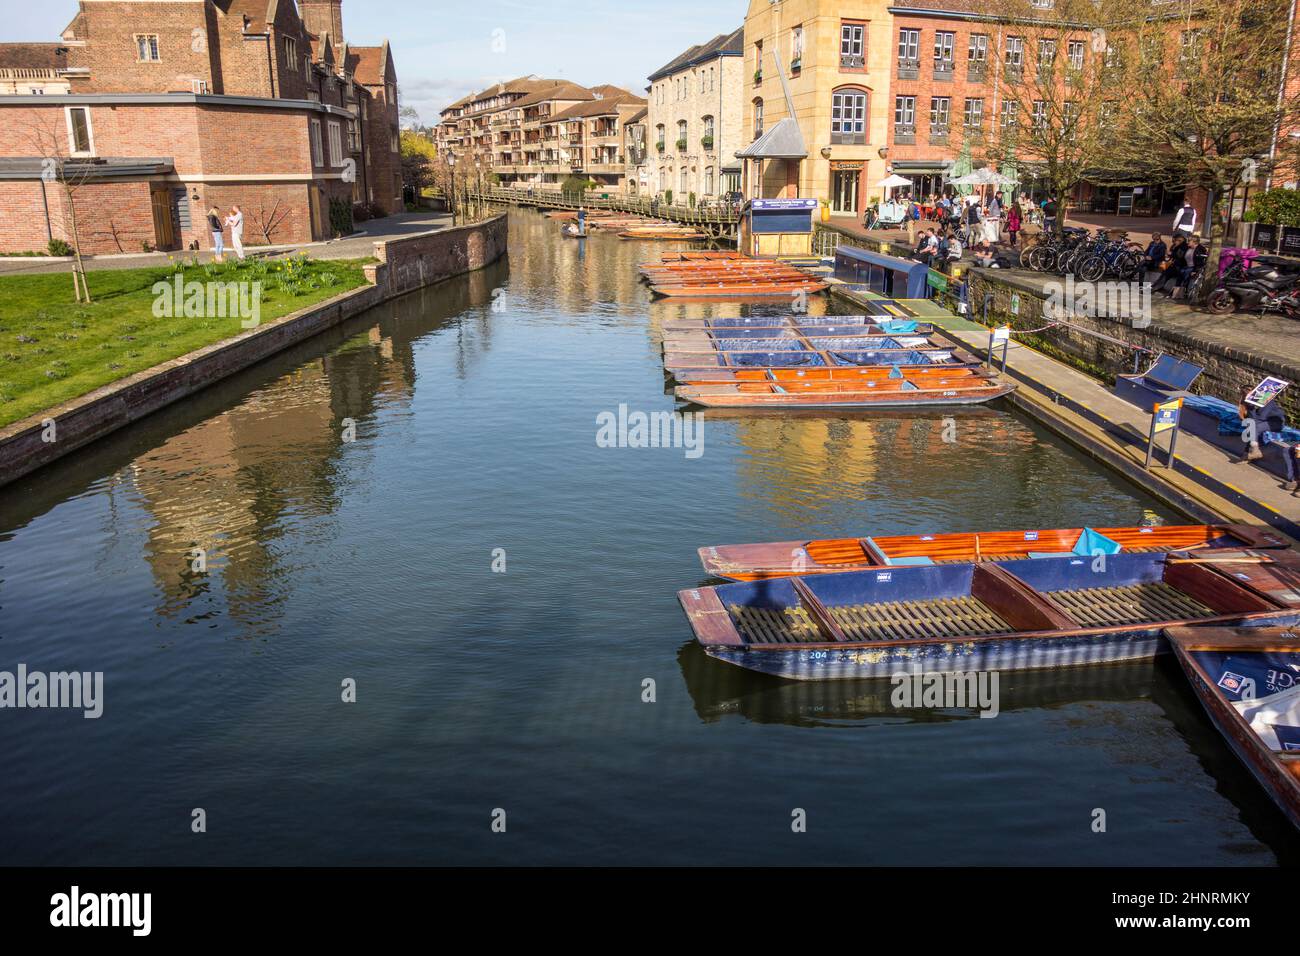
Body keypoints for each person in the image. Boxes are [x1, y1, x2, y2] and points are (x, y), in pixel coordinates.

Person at [1233, 386, 1286, 464]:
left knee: (1254, 427)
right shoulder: (1248, 403)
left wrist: (1251, 407)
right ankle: (1249, 453)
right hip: (1262, 421)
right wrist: (1250, 406)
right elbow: (1252, 418)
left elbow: (1261, 417)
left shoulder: (1267, 400)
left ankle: (1251, 452)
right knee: (1251, 426)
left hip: (1275, 422)